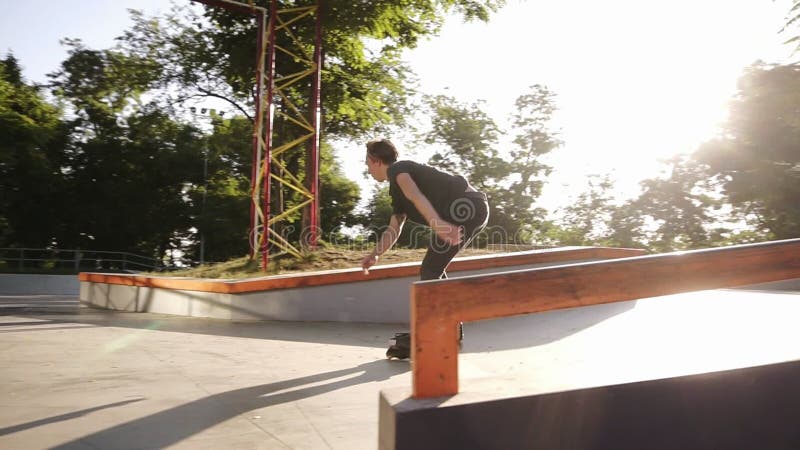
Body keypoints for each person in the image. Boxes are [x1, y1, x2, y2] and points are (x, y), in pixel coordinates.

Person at [361, 138, 489, 358]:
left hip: (466, 207)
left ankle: (430, 334)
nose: (367, 169)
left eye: (367, 164)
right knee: (434, 269)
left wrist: (439, 225)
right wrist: (375, 255)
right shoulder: (395, 191)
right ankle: (451, 330)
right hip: (468, 209)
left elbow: (415, 195)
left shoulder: (399, 170)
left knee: (430, 270)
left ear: (376, 161)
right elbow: (394, 228)